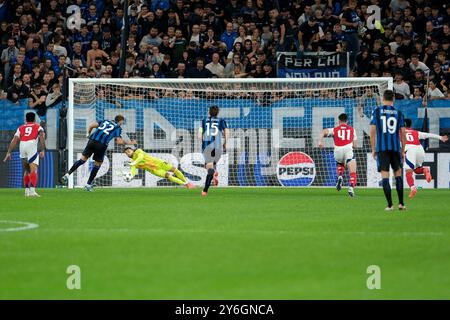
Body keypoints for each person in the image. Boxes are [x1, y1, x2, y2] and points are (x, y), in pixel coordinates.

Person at [61, 115, 137, 191]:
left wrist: (88, 134)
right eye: (122, 122)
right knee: (97, 164)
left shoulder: (105, 121)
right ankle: (88, 184)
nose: (122, 124)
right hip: (101, 145)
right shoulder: (117, 128)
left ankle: (67, 175)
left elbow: (91, 126)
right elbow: (119, 142)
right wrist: (130, 143)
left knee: (82, 160)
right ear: (120, 121)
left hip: (92, 141)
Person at [370, 90, 407, 211]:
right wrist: (403, 150)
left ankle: (390, 205)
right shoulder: (399, 113)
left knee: (385, 176)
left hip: (382, 148)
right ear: (393, 99)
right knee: (398, 175)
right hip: (396, 148)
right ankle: (401, 204)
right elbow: (403, 133)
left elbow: (372, 132)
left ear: (383, 98)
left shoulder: (377, 111)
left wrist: (373, 149)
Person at [3, 112, 45, 197]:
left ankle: (26, 191)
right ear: (34, 119)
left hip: (22, 146)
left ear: (26, 119)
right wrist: (42, 150)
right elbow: (42, 136)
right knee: (33, 170)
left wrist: (9, 152)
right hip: (31, 145)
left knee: (27, 170)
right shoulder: (38, 126)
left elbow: (14, 140)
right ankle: (32, 191)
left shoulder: (20, 128)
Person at [404, 118, 448, 198]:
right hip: (420, 149)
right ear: (410, 125)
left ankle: (413, 188)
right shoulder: (416, 132)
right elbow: (428, 135)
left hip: (410, 150)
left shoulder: (399, 132)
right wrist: (440, 137)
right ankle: (425, 170)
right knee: (416, 170)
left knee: (408, 172)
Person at [319, 113, 358, 197]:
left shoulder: (335, 129)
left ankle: (340, 176)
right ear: (347, 121)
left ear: (339, 121)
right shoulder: (352, 129)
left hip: (337, 151)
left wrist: (320, 141)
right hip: (348, 150)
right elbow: (355, 145)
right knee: (353, 171)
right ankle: (351, 187)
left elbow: (323, 131)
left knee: (340, 163)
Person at [123, 146, 194, 188]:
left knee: (176, 170)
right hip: (155, 170)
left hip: (160, 163)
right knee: (169, 176)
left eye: (128, 151)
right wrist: (131, 175)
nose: (128, 153)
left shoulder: (138, 151)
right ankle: (186, 184)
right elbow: (133, 170)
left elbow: (140, 157)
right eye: (126, 153)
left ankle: (186, 181)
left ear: (132, 150)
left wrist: (134, 162)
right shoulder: (132, 162)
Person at [198, 106, 229, 196]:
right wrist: (225, 143)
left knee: (209, 167)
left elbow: (199, 135)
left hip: (207, 146)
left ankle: (205, 190)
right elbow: (227, 132)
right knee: (210, 165)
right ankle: (214, 171)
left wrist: (202, 143)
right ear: (217, 113)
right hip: (218, 146)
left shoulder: (204, 121)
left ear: (209, 112)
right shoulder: (222, 120)